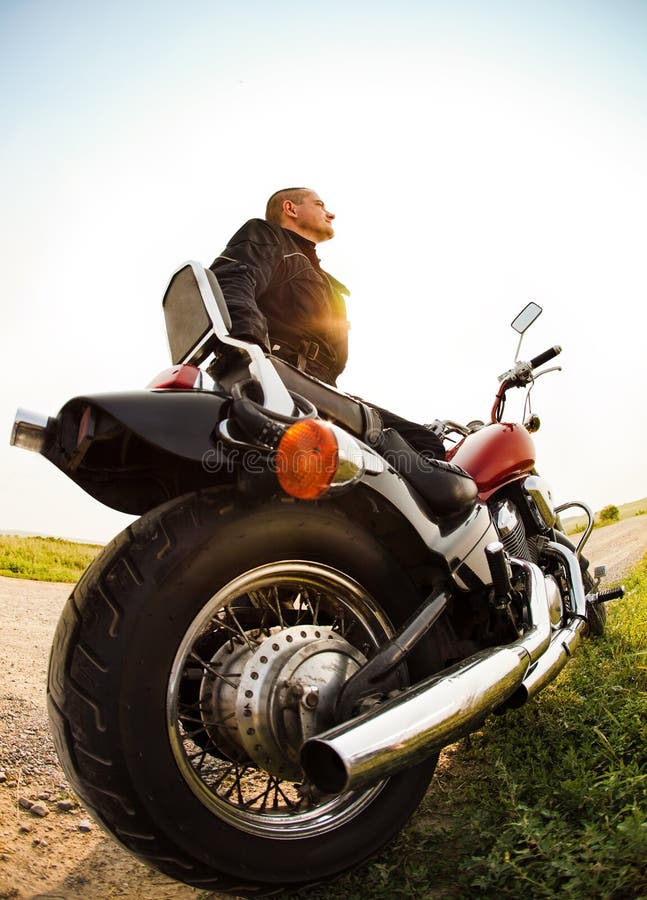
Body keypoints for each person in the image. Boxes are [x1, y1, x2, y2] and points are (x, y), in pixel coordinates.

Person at [210, 187, 444, 459]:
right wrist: (249, 353)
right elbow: (231, 280)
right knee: (423, 443)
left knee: (424, 442)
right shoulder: (269, 238)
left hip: (322, 388)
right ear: (291, 209)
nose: (330, 213)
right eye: (320, 204)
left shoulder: (327, 282)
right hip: (280, 378)